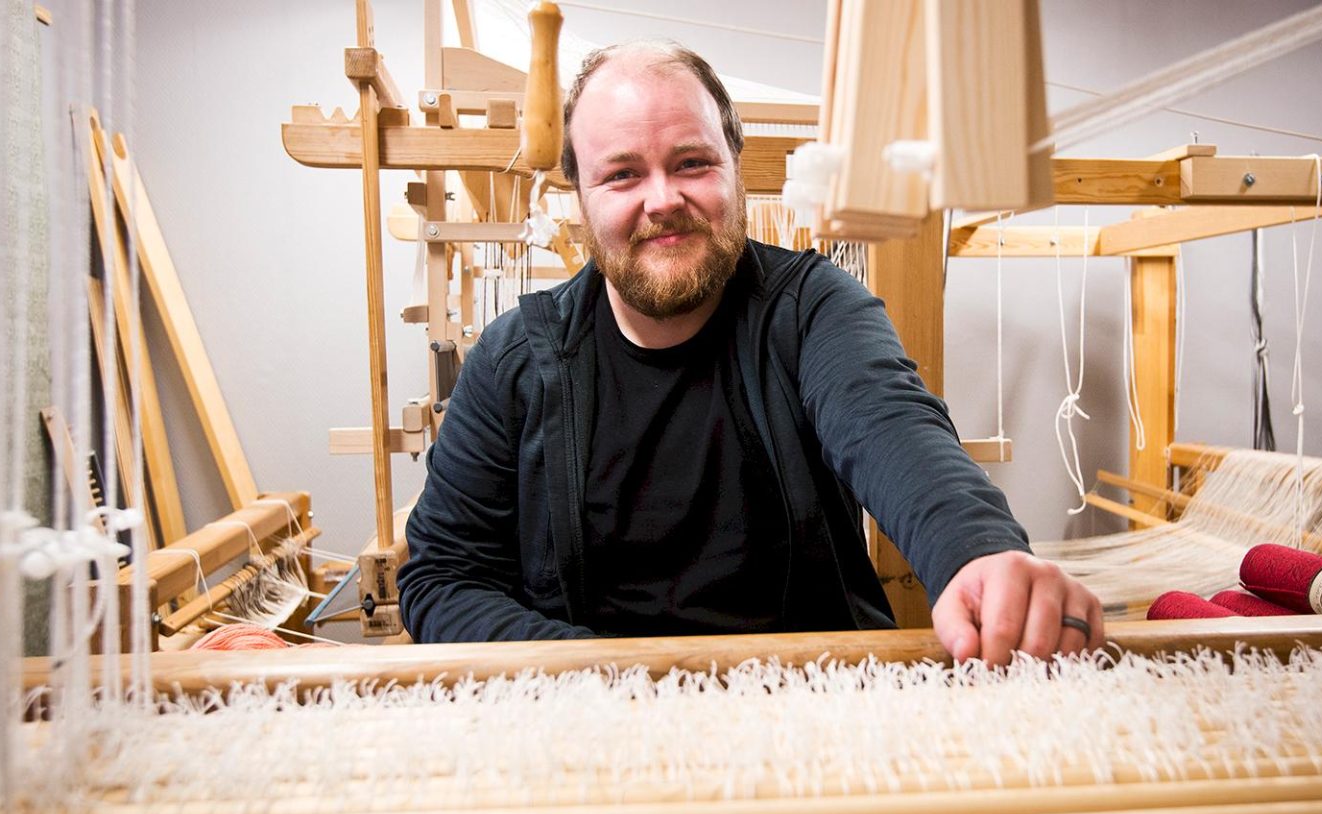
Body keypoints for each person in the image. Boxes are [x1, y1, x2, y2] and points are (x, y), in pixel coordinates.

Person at [397, 41, 1104, 665]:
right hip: (591, 731)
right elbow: (441, 577)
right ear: (580, 199)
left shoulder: (813, 310)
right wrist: (609, 679)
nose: (664, 198)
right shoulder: (512, 360)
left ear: (735, 167)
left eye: (692, 162)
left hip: (811, 722)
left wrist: (976, 553)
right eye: (622, 175)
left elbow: (891, 426)